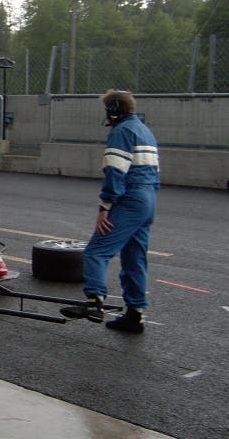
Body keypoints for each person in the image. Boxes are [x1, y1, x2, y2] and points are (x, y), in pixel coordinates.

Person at [60, 90, 160, 333]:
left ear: (114, 109)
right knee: (134, 258)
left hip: (131, 197)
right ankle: (135, 314)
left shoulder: (121, 131)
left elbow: (115, 171)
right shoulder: (144, 130)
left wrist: (105, 206)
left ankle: (94, 301)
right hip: (148, 198)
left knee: (97, 251)